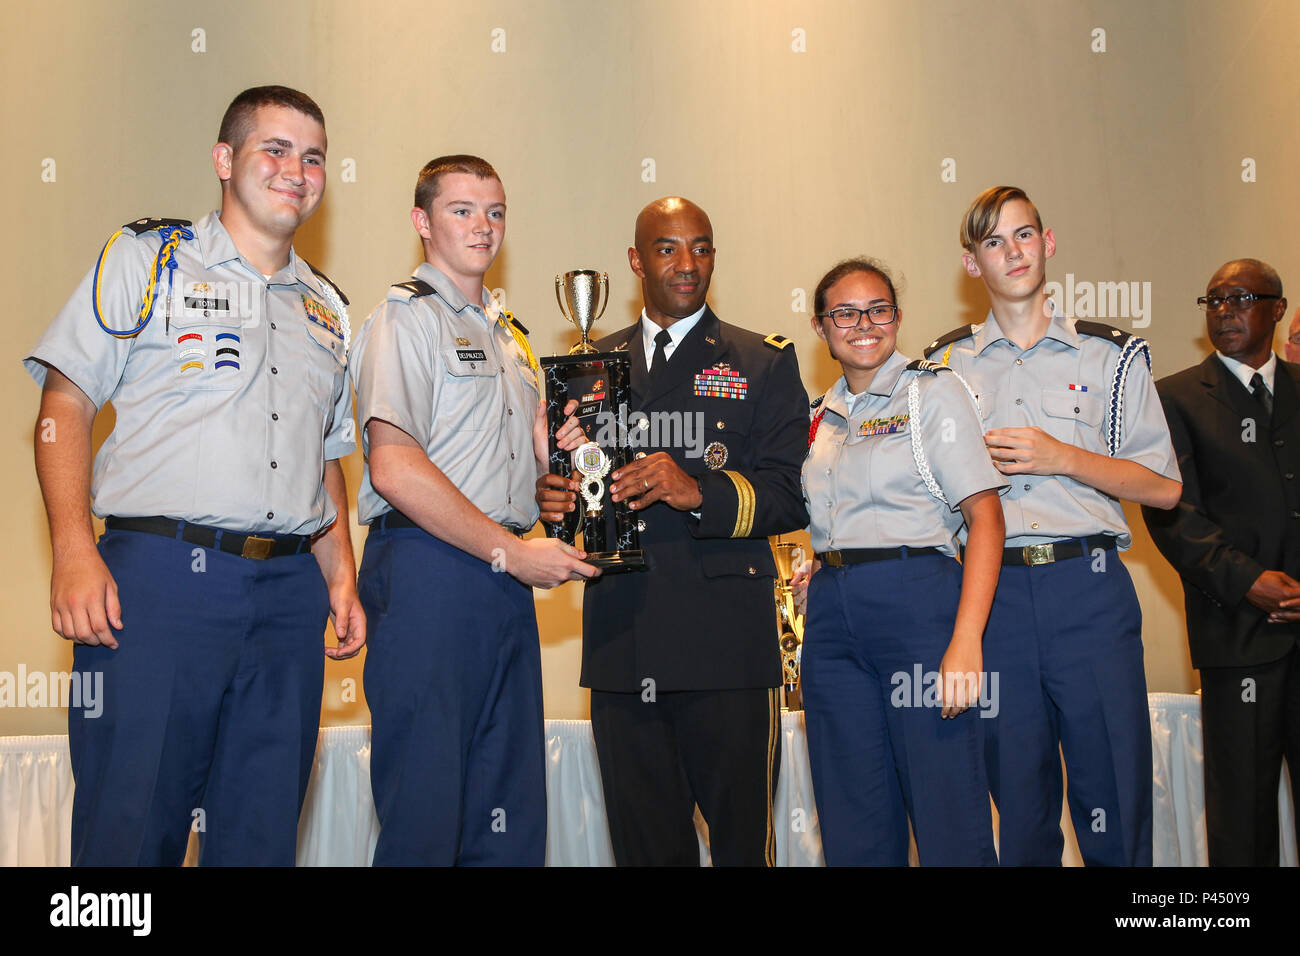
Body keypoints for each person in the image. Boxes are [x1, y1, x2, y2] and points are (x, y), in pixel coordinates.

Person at [24, 85, 364, 866]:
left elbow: (325, 457)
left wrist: (339, 575)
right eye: (273, 149)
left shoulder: (329, 309)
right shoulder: (149, 259)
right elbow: (65, 405)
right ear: (225, 159)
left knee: (260, 833)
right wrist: (75, 550)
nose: (296, 170)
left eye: (312, 157)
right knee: (129, 827)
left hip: (286, 600)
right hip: (160, 585)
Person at [537, 196, 809, 866]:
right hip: (624, 640)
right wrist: (553, 503)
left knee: (743, 847)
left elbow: (790, 495)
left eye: (702, 247)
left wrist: (698, 494)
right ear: (635, 260)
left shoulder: (761, 360)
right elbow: (581, 496)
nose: (688, 264)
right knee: (645, 851)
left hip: (726, 646)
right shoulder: (588, 365)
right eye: (667, 248)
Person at [351, 155, 598, 866]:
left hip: (502, 579)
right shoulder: (405, 319)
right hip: (432, 569)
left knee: (507, 810)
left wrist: (571, 452)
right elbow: (394, 468)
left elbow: (534, 471)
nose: (482, 226)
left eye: (495, 212)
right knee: (426, 812)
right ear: (422, 222)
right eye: (462, 210)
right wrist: (512, 551)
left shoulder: (511, 337)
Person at [924, 186, 1182, 866]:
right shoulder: (939, 368)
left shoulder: (1112, 356)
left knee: (1115, 800)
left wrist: (1064, 457)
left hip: (1087, 590)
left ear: (1049, 241)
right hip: (992, 600)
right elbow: (922, 500)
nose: (1013, 251)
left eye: (1024, 234)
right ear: (971, 263)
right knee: (1020, 808)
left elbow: (1163, 487)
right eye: (993, 241)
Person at [796, 258, 1006, 865]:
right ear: (821, 326)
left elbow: (986, 517)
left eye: (878, 310)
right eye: (845, 312)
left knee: (948, 813)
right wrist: (825, 567)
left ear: (897, 318)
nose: (864, 324)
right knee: (853, 818)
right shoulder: (817, 417)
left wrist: (967, 637)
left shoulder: (933, 394)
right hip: (833, 620)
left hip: (919, 604)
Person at [1141, 259, 1300, 866]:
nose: (1225, 310)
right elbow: (1173, 515)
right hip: (1238, 640)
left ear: (1277, 309)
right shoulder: (1175, 397)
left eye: (1241, 298)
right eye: (1212, 301)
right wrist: (1250, 581)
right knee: (1241, 819)